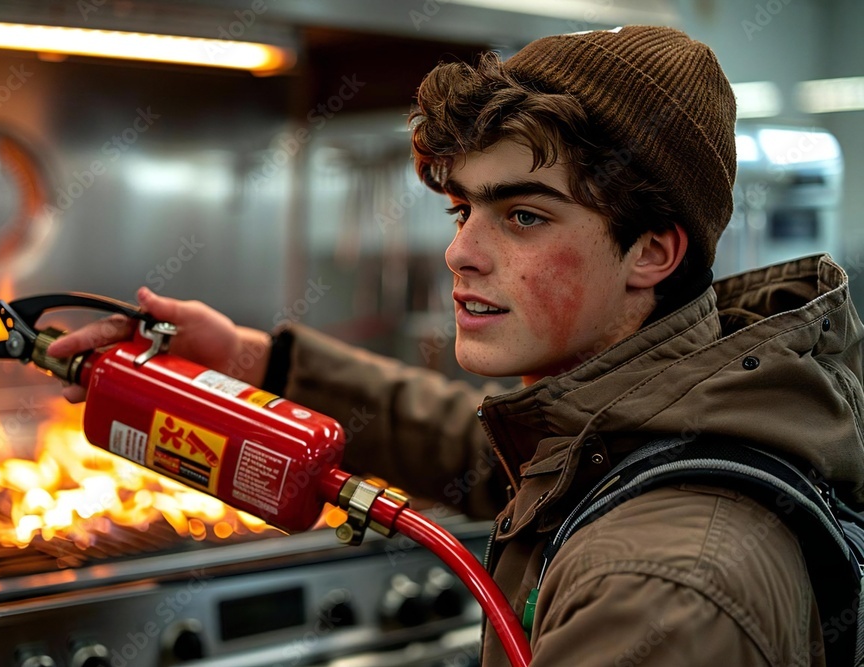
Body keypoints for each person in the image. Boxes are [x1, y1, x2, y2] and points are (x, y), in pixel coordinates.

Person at [50, 25, 864, 666]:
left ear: (652, 250)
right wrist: (251, 363)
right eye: (461, 210)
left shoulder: (658, 588)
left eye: (523, 215)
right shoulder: (673, 407)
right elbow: (470, 442)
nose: (460, 252)